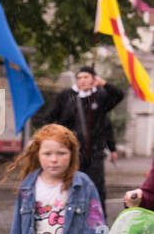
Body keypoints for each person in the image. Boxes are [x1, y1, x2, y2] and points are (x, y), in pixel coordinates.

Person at [43, 66, 123, 217]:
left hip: (95, 153)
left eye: (86, 77)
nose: (82, 81)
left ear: (94, 79)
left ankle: (98, 221)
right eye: (79, 78)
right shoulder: (67, 96)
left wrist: (112, 148)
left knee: (96, 188)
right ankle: (68, 218)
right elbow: (48, 117)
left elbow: (118, 96)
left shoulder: (100, 97)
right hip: (71, 152)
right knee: (69, 186)